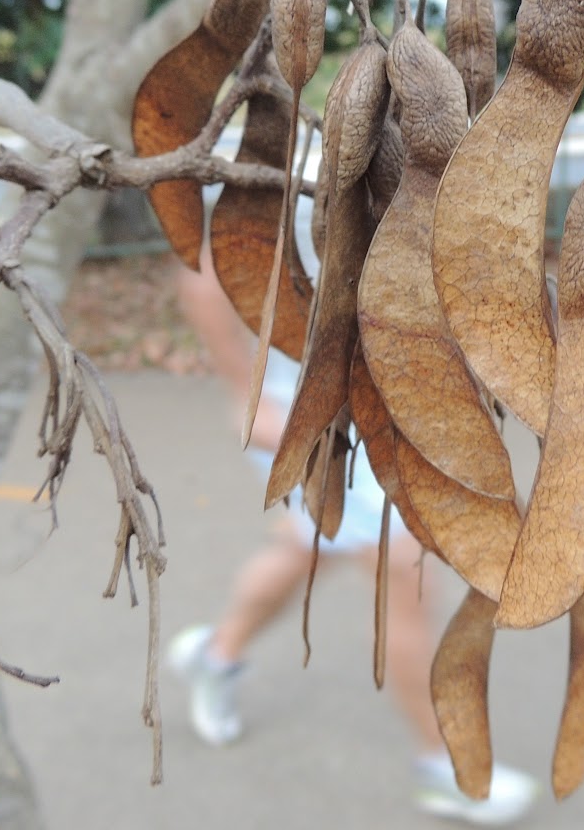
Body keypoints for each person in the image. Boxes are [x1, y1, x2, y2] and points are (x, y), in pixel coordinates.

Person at [167, 239, 538, 826]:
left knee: (308, 550)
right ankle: (444, 769)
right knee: (403, 575)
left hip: (394, 400)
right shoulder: (271, 153)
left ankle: (217, 655)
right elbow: (204, 267)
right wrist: (246, 392)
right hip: (313, 415)